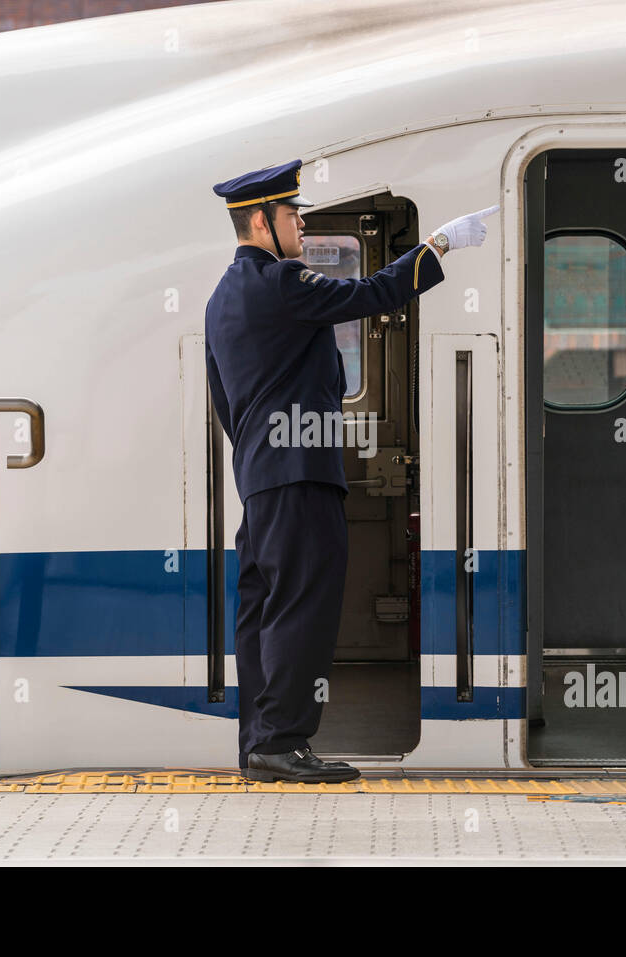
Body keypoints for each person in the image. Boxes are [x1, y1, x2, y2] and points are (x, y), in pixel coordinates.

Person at [205, 157, 498, 782]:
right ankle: (284, 743)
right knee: (302, 610)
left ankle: (261, 743)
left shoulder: (221, 299)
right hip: (300, 477)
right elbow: (372, 295)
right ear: (261, 222)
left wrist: (265, 452)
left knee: (262, 611)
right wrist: (439, 244)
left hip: (262, 479)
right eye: (293, 217)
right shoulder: (281, 283)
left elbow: (226, 404)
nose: (303, 231)